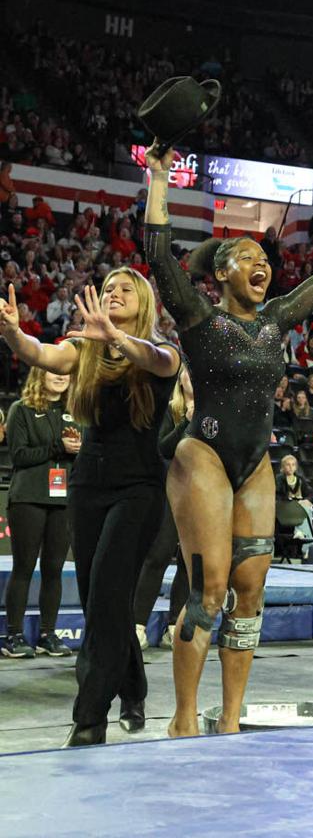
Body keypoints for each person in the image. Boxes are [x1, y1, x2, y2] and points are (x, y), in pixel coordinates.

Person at [142, 147, 313, 739]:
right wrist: (161, 182)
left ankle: (232, 719)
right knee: (209, 589)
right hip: (204, 455)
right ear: (220, 272)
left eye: (263, 257)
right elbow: (159, 259)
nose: (260, 263)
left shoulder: (276, 319)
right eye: (246, 257)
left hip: (255, 464)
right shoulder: (198, 318)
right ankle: (184, 717)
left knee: (249, 595)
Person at [0, 268, 181, 746]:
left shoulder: (160, 351)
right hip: (87, 488)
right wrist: (15, 333)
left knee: (104, 596)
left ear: (143, 302)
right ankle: (134, 688)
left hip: (139, 489)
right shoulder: (84, 350)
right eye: (106, 290)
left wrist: (117, 337)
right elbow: (42, 354)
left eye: (124, 290)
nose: (113, 294)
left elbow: (161, 362)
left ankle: (89, 719)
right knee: (103, 597)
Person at [2, 364, 79, 659]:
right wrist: (57, 446)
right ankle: (13, 635)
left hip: (64, 500)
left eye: (65, 372)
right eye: (53, 370)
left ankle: (48, 634)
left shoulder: (76, 411)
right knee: (24, 566)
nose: (61, 376)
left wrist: (79, 450)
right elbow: (19, 455)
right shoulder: (21, 409)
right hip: (29, 498)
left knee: (54, 569)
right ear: (39, 374)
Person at [132, 371, 195, 652]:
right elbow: (163, 447)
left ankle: (174, 627)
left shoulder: (213, 413)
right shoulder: (170, 410)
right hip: (169, 492)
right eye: (188, 374)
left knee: (188, 561)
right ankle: (137, 625)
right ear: (181, 379)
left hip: (200, 495)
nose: (193, 378)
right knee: (158, 555)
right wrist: (187, 423)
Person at [275, 452, 313, 540]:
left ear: (296, 467)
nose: (290, 467)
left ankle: (304, 535)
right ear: (283, 467)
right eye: (288, 465)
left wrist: (307, 500)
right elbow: (277, 495)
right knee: (302, 509)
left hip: (301, 505)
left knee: (307, 508)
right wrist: (290, 502)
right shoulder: (279, 479)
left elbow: (310, 494)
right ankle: (303, 536)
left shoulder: (300, 479)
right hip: (286, 505)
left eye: (293, 465)